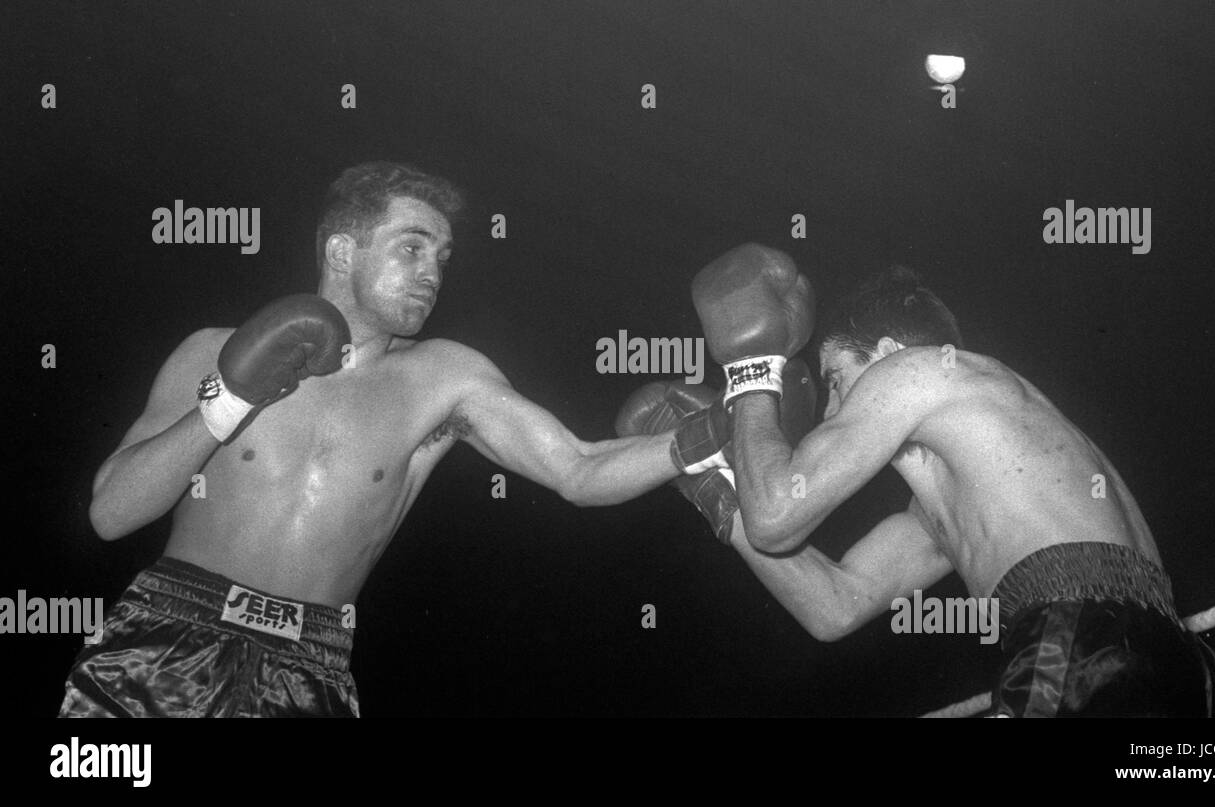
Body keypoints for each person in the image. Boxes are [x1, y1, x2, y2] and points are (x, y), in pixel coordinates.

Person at [61, 162, 720, 717]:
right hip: (162, 637)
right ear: (342, 251)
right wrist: (226, 401)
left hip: (307, 665)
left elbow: (578, 469)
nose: (432, 269)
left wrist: (703, 436)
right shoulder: (212, 351)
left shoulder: (444, 377)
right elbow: (111, 513)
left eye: (442, 255)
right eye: (411, 246)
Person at [625, 243, 1215, 717]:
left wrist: (751, 372)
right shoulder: (971, 489)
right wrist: (721, 490)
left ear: (890, 352)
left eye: (836, 377)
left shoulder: (921, 372)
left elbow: (779, 515)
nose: (833, 413)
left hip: (1081, 645)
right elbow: (834, 605)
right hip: (1181, 672)